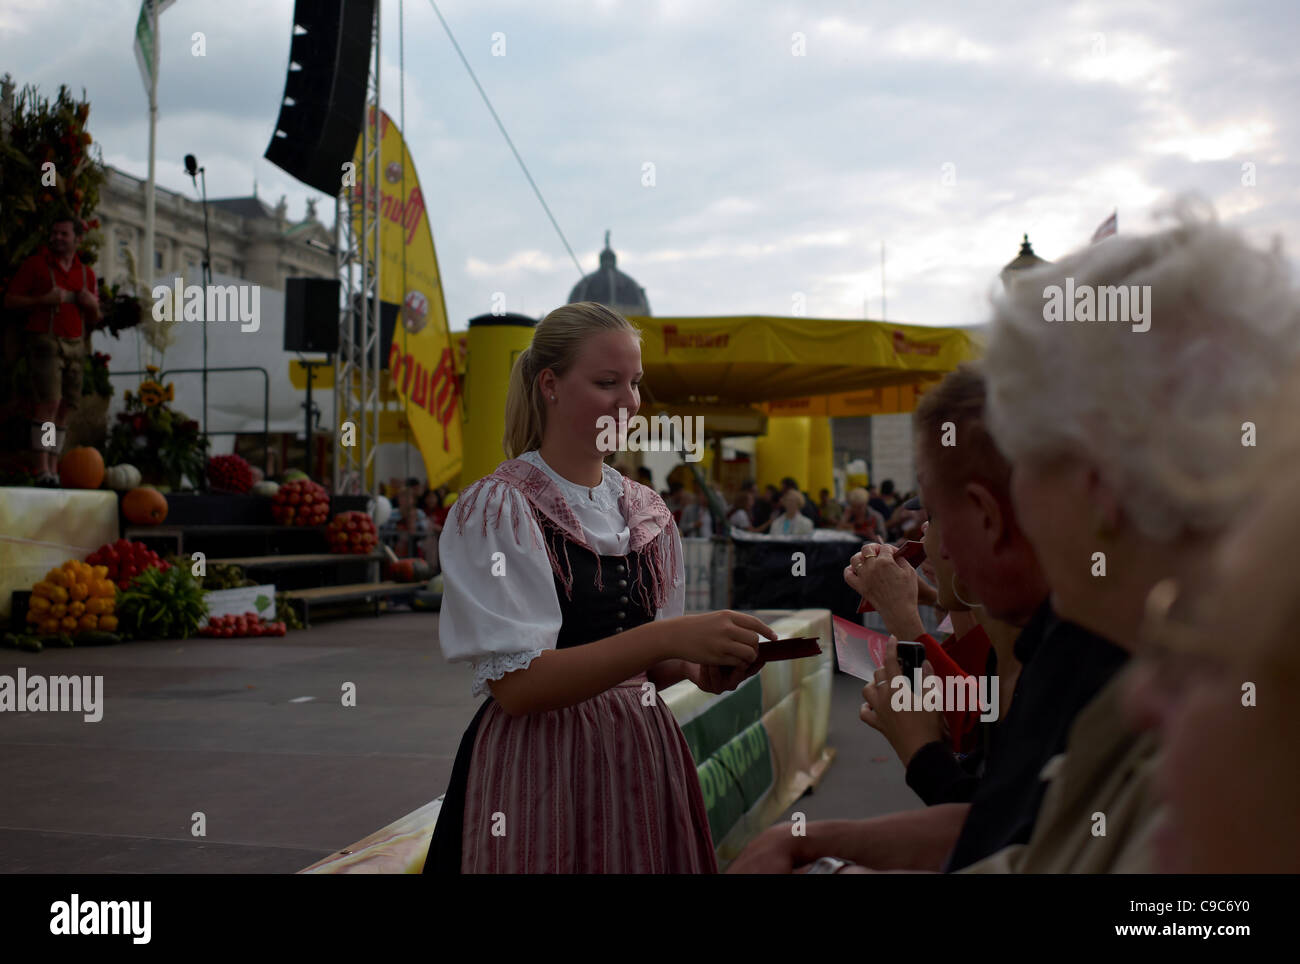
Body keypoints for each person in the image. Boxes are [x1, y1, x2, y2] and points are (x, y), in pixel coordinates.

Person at [425, 302, 777, 874]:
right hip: (539, 764)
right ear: (550, 385)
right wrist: (671, 637)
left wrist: (694, 667)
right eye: (606, 382)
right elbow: (518, 687)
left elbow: (654, 667)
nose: (628, 402)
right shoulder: (500, 506)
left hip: (638, 753)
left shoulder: (647, 510)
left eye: (634, 383)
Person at [3, 215, 101, 485]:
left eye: (64, 234)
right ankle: (42, 468)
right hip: (45, 343)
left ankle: (54, 466)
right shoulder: (36, 265)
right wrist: (42, 300)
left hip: (75, 346)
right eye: (54, 233)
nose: (57, 238)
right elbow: (9, 301)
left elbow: (95, 318)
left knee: (65, 408)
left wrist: (91, 304)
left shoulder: (86, 273)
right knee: (49, 404)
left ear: (78, 239)